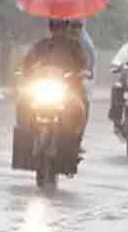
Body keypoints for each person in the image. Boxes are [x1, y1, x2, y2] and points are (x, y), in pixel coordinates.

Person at [18, 18, 90, 154]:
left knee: (82, 104)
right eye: (55, 27)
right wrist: (25, 70)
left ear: (67, 28)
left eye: (62, 27)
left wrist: (82, 72)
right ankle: (25, 133)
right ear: (51, 28)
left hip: (69, 87)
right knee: (23, 100)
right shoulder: (42, 45)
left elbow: (83, 63)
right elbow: (28, 61)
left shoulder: (74, 45)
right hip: (43, 86)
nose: (59, 31)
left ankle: (75, 137)